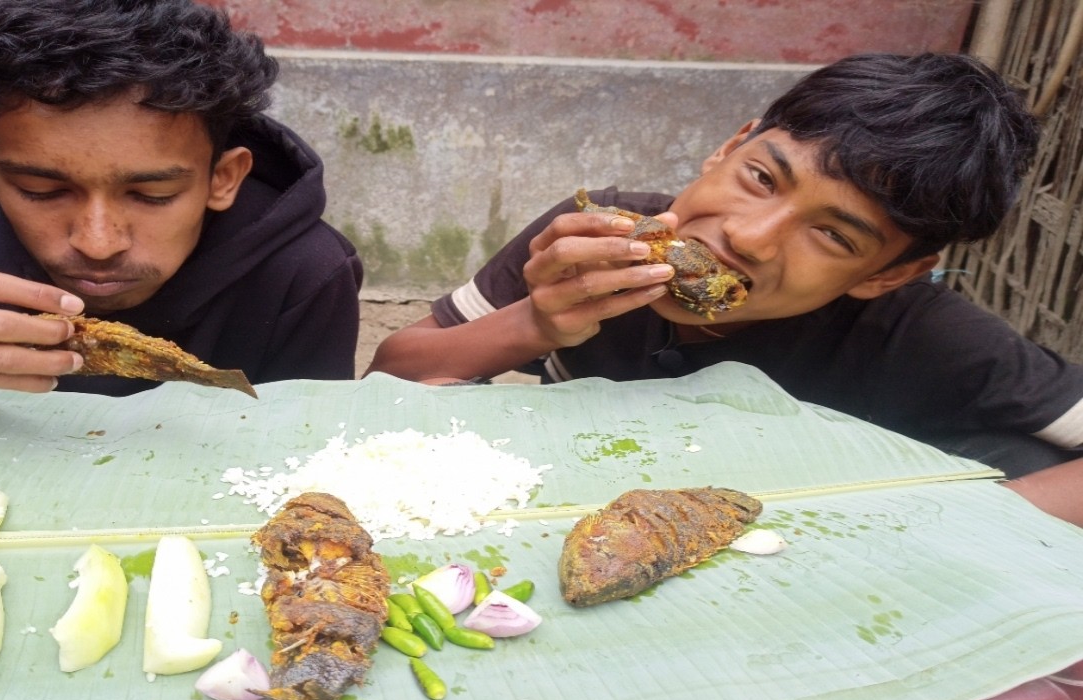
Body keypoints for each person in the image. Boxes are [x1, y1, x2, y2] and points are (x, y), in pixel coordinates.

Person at [368, 53, 1083, 526]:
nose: (749, 236)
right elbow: (389, 376)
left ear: (884, 274)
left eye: (834, 235)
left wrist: (954, 522)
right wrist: (536, 324)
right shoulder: (596, 237)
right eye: (761, 177)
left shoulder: (922, 332)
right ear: (729, 145)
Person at [0, 0, 362, 482]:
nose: (97, 243)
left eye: (152, 194)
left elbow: (303, 464)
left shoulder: (298, 275)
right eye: (42, 190)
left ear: (223, 177)